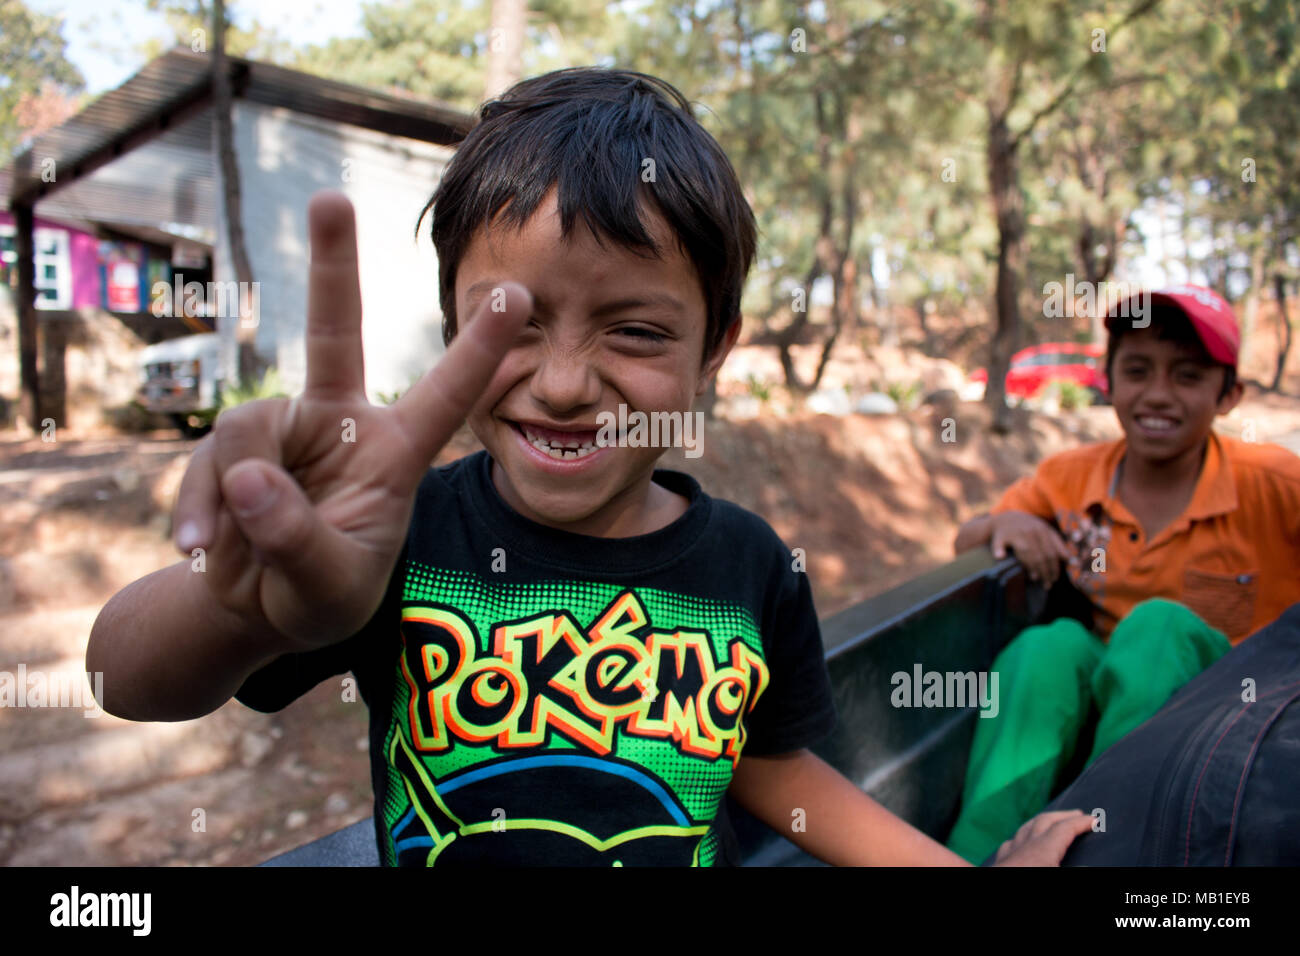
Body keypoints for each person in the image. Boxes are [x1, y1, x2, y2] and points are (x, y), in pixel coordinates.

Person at [88, 67, 1088, 867]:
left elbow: (773, 772)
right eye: (508, 325)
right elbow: (117, 676)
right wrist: (238, 601)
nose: (563, 384)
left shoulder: (751, 564)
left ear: (714, 348)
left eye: (636, 329)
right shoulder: (390, 538)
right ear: (450, 324)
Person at [946, 284, 1300, 864]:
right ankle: (977, 852)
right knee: (1046, 647)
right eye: (1137, 371)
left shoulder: (1276, 486)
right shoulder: (1072, 476)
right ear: (1109, 380)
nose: (1157, 395)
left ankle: (1109, 851)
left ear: (1229, 394)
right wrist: (1005, 520)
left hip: (1236, 715)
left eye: (1187, 376)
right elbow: (968, 538)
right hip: (1112, 685)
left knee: (1157, 629)